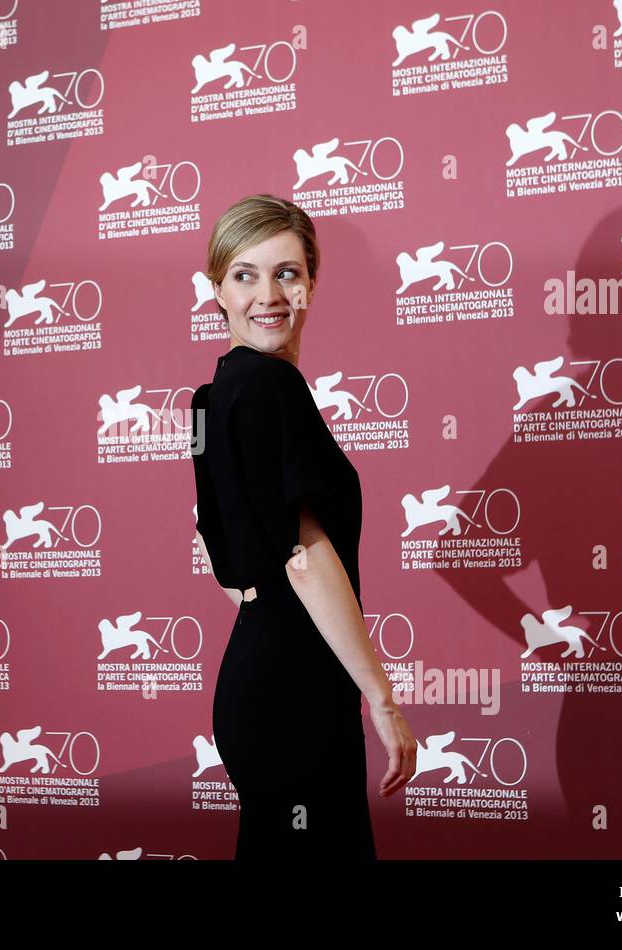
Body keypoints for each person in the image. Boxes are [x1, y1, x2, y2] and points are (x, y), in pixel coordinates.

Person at [191, 194, 417, 859]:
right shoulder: (270, 387)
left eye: (287, 273)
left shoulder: (214, 394)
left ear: (311, 283)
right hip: (296, 691)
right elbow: (301, 556)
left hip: (256, 679)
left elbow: (229, 555)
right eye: (246, 274)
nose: (270, 294)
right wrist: (382, 698)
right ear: (218, 291)